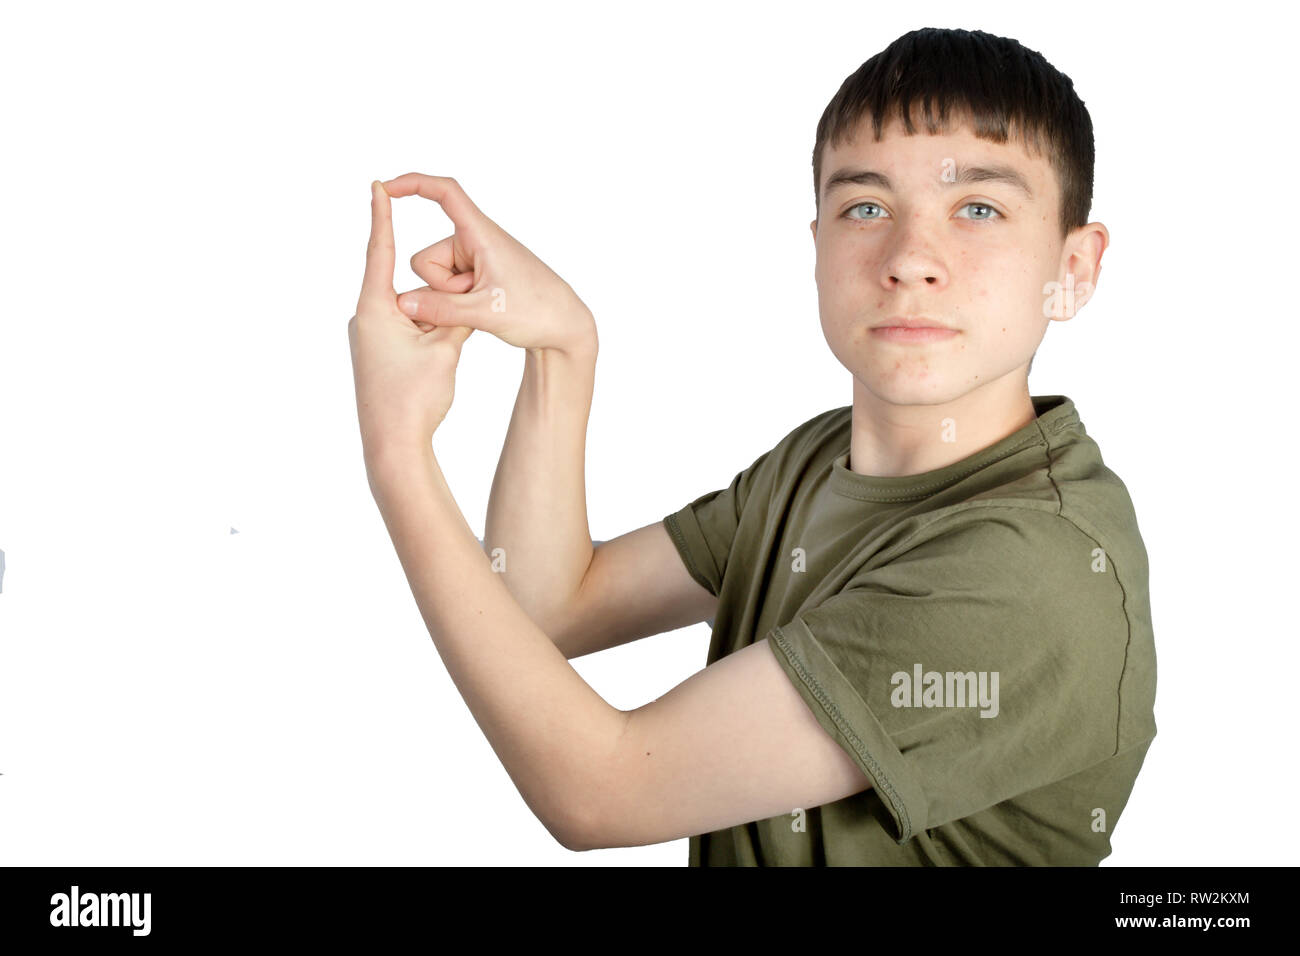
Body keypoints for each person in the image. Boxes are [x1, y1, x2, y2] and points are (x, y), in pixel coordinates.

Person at [348, 26, 1156, 866]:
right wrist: (561, 349)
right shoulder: (820, 459)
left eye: (979, 209)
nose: (911, 259)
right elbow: (547, 607)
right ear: (817, 247)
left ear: (1075, 268)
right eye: (866, 207)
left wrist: (398, 453)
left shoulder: (1033, 568)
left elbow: (600, 792)